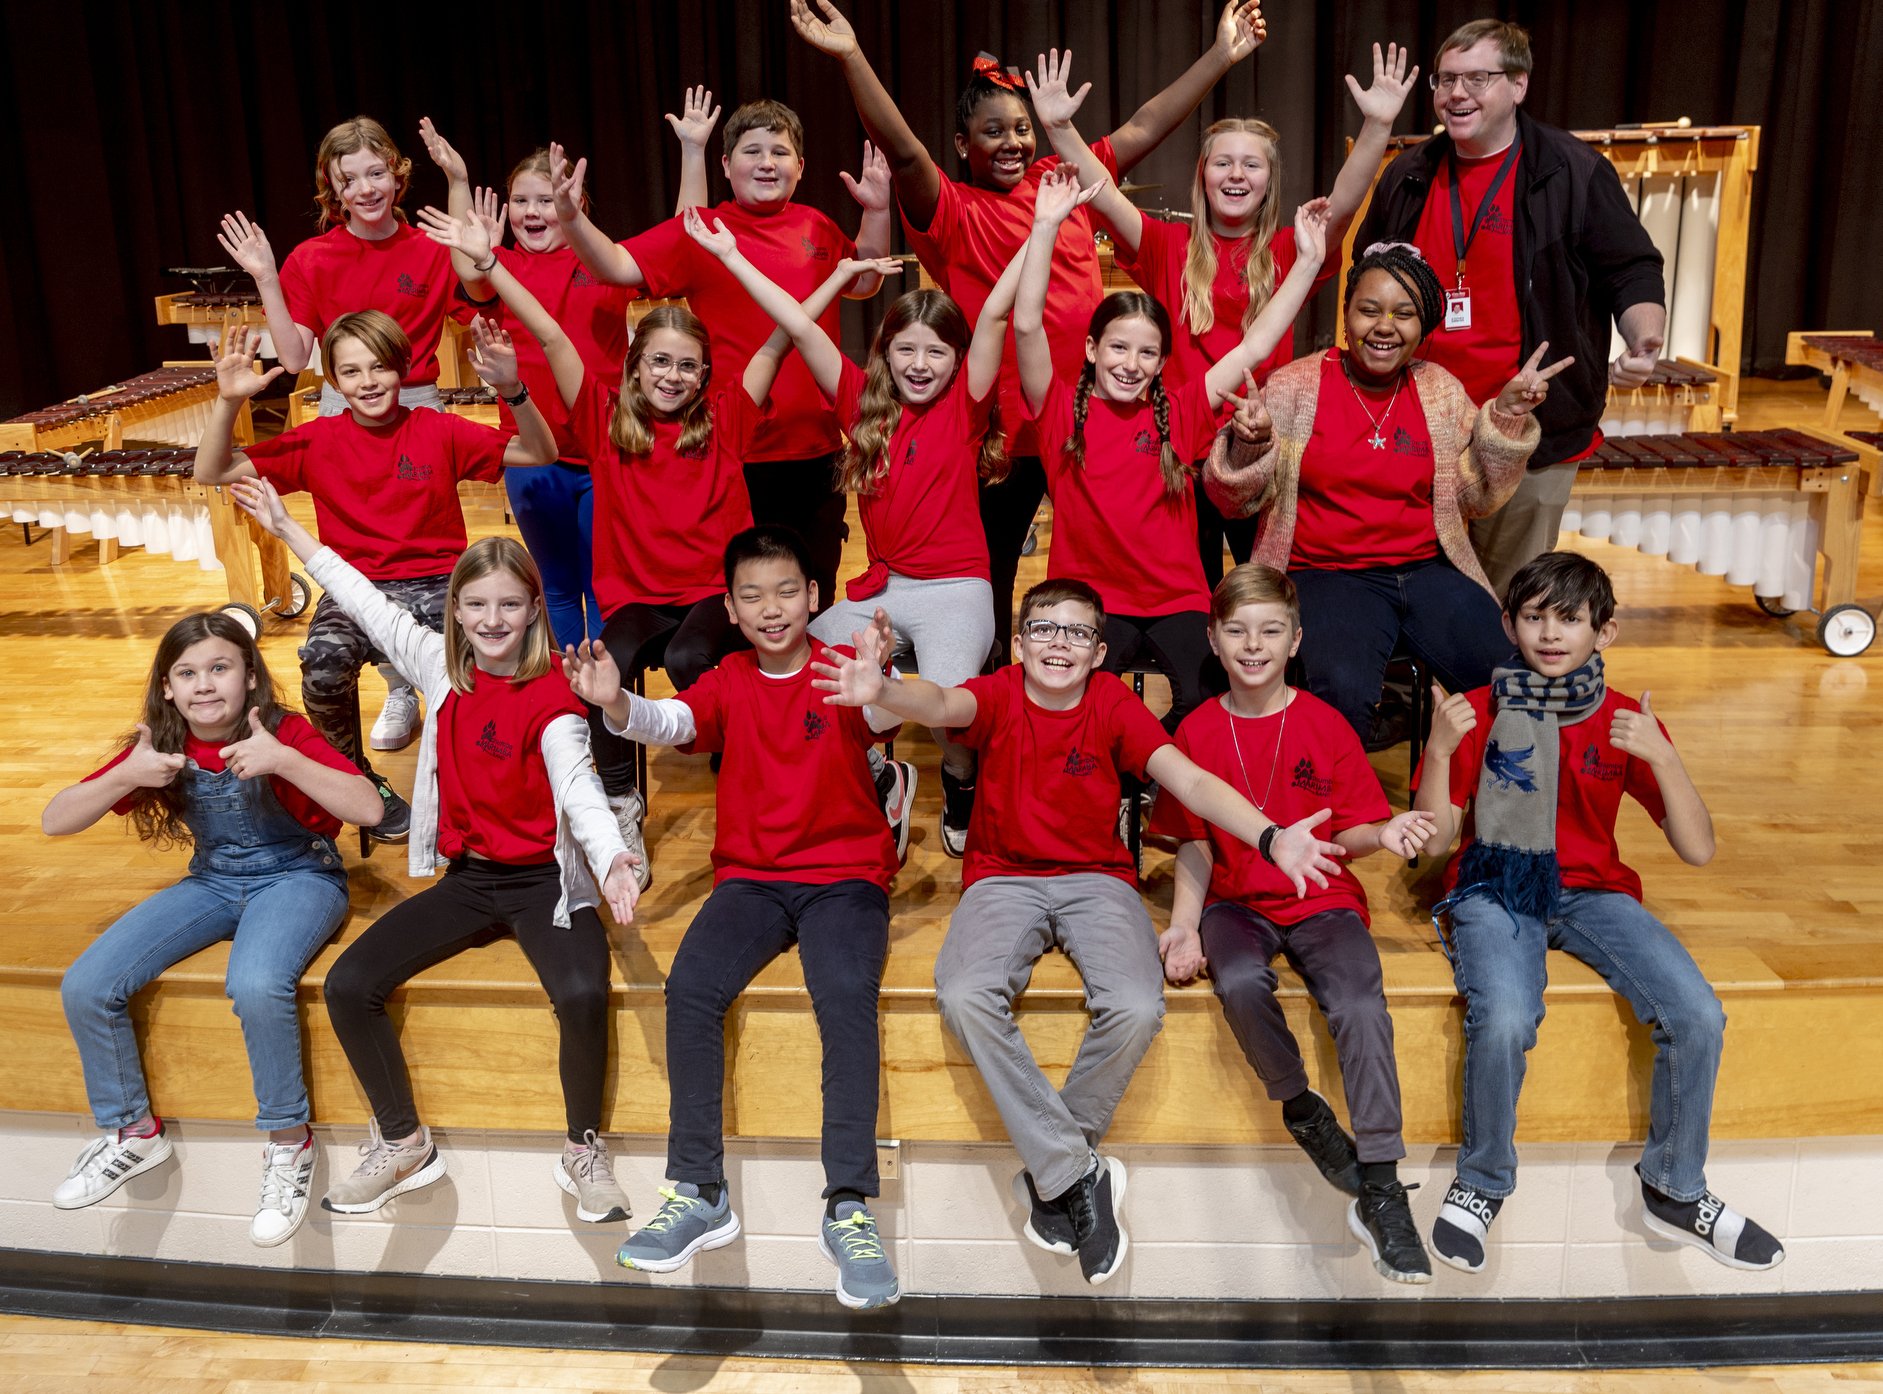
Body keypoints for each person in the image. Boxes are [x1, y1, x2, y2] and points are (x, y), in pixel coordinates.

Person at [813, 578, 1335, 1286]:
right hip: (1002, 877)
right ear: (1021, 643)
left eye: (1078, 633)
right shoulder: (997, 693)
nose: (1059, 642)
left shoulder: (1114, 705)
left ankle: (1055, 1173)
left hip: (1099, 880)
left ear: (1098, 653)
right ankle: (1077, 1171)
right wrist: (886, 689)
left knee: (1137, 1004)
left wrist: (1269, 836)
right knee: (964, 992)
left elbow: (1193, 783)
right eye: (1045, 630)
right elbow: (939, 703)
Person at [790, 0, 1271, 657]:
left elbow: (1143, 125)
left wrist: (1219, 56)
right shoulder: (950, 211)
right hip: (1003, 436)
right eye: (993, 131)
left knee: (1096, 574)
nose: (1014, 141)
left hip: (1089, 428)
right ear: (961, 144)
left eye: (1021, 127)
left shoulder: (1063, 179)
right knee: (990, 577)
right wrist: (852, 58)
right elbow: (902, 154)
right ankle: (983, 703)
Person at [230, 477, 643, 1225]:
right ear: (455, 609)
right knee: (349, 983)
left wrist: (611, 857)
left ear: (532, 612)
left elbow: (578, 785)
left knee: (583, 995)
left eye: (510, 605)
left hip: (544, 885)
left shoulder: (552, 695)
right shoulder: (436, 669)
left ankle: (583, 1149)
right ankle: (402, 1142)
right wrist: (290, 533)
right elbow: (363, 599)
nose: (492, 620)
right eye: (477, 604)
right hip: (472, 879)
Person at [1412, 550, 1785, 1276]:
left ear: (1603, 632)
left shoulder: (1624, 722)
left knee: (1698, 1013)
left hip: (1591, 890)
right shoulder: (1479, 711)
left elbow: (1699, 849)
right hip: (1494, 886)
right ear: (1509, 625)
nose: (1552, 634)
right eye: (1535, 616)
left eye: (1571, 619)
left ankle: (1675, 1187)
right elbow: (1432, 845)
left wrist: (1666, 759)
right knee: (1509, 1015)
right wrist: (1436, 750)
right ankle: (1481, 1182)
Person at [566, 527, 904, 1311]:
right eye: (750, 596)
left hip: (845, 876)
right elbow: (671, 726)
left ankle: (849, 1205)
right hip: (752, 878)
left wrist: (880, 677)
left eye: (786, 591)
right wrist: (615, 700)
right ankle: (697, 1190)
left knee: (845, 994)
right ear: (729, 607)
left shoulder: (841, 673)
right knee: (689, 989)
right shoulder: (728, 677)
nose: (771, 608)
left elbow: (885, 723)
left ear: (814, 596)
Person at [544, 202, 900, 883]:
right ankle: (621, 804)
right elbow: (558, 343)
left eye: (688, 366)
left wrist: (835, 279)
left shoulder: (729, 418)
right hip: (639, 598)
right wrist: (506, 261)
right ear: (636, 367)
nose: (673, 377)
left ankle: (749, 756)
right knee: (606, 663)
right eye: (659, 363)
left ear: (706, 376)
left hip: (709, 595)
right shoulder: (605, 422)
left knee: (691, 653)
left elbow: (779, 339)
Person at [43, 613, 381, 1248]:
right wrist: (123, 777)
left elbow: (369, 808)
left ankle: (288, 1145)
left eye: (220, 668)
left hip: (298, 877)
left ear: (250, 678)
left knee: (255, 984)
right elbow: (55, 820)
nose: (205, 685)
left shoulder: (283, 731)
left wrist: (284, 760)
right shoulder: (161, 744)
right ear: (166, 687)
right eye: (187, 673)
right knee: (87, 983)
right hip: (213, 882)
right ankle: (133, 1134)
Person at [687, 206, 1015, 857]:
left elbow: (1000, 316)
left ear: (958, 361)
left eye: (937, 352)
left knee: (946, 707)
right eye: (906, 349)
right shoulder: (860, 398)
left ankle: (958, 779)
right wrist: (729, 258)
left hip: (956, 589)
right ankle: (881, 778)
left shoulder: (965, 406)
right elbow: (796, 323)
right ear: (884, 352)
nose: (921, 364)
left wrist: (1038, 233)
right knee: (803, 675)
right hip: (883, 588)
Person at [1027, 44, 1419, 588]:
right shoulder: (1169, 246)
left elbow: (1345, 203)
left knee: (1269, 588)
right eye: (1223, 161)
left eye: (1251, 164)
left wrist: (1377, 125)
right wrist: (1061, 130)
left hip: (1258, 446)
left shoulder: (1288, 250)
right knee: (1195, 589)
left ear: (1268, 182)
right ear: (1203, 174)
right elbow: (1105, 196)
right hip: (1181, 454)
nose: (1236, 174)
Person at [1149, 565, 1439, 1284]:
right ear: (1213, 641)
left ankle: (1380, 1180)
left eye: (1270, 631)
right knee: (1242, 982)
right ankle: (1301, 1107)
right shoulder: (1195, 729)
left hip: (1324, 899)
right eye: (1238, 631)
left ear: (1295, 639)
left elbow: (1358, 830)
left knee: (1360, 1004)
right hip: (1234, 904)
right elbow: (1191, 840)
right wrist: (1185, 926)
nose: (1254, 645)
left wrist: (1390, 831)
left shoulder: (1325, 723)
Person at [195, 312, 559, 841]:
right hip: (352, 586)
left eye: (380, 368)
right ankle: (357, 783)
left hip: (439, 582)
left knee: (481, 664)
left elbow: (539, 452)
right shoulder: (316, 439)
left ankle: (484, 778)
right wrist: (229, 400)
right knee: (321, 666)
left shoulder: (437, 429)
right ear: (334, 382)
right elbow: (212, 472)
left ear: (402, 369)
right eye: (351, 372)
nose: (367, 382)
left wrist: (513, 391)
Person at [1012, 166, 1329, 756]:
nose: (1131, 364)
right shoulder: (1060, 413)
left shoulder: (1181, 412)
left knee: (1208, 700)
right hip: (1092, 602)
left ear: (1162, 362)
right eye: (1119, 348)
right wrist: (1046, 225)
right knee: (1080, 707)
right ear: (1091, 350)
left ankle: (1149, 772)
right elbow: (1026, 323)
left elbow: (1254, 345)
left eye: (1148, 353)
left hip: (1176, 599)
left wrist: (1308, 262)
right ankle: (1126, 774)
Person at [1350, 19, 1669, 593]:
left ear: (1519, 85)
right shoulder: (1408, 175)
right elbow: (1364, 276)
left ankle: (1496, 686)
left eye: (1478, 78)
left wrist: (1644, 338)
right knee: (1413, 591)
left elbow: (1632, 267)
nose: (1456, 93)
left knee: (1505, 600)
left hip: (1532, 428)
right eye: (1446, 80)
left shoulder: (1572, 172)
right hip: (1418, 428)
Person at [1202, 244, 1554, 746]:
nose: (1385, 326)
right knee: (1343, 697)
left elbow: (1477, 499)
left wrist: (1506, 418)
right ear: (1346, 316)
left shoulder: (1439, 390)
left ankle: (1489, 807)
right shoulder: (1295, 385)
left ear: (1422, 327)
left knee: (1513, 679)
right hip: (1326, 572)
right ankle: (1343, 820)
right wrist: (1250, 444)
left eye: (1403, 314)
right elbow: (1229, 501)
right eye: (1369, 310)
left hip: (1428, 571)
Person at [545, 104, 895, 605]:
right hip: (725, 453)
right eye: (752, 151)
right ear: (727, 166)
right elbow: (615, 266)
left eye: (780, 152)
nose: (767, 162)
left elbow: (864, 279)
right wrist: (571, 219)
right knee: (736, 595)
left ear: (801, 166)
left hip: (814, 449)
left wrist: (877, 211)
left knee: (813, 589)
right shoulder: (703, 232)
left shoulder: (816, 226)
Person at [414, 93, 716, 653]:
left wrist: (693, 154)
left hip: (605, 450)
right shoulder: (498, 268)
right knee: (555, 585)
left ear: (574, 202)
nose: (533, 213)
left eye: (547, 201)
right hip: (536, 455)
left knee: (603, 584)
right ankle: (572, 693)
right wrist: (457, 182)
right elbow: (469, 266)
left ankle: (603, 695)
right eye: (520, 201)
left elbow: (681, 240)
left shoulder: (596, 261)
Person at [218, 115, 495, 418]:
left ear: (397, 176)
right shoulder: (309, 258)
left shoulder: (435, 250)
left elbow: (484, 309)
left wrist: (460, 184)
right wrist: (266, 278)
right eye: (348, 180)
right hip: (342, 408)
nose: (365, 189)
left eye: (376, 174)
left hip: (418, 407)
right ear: (333, 191)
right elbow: (295, 360)